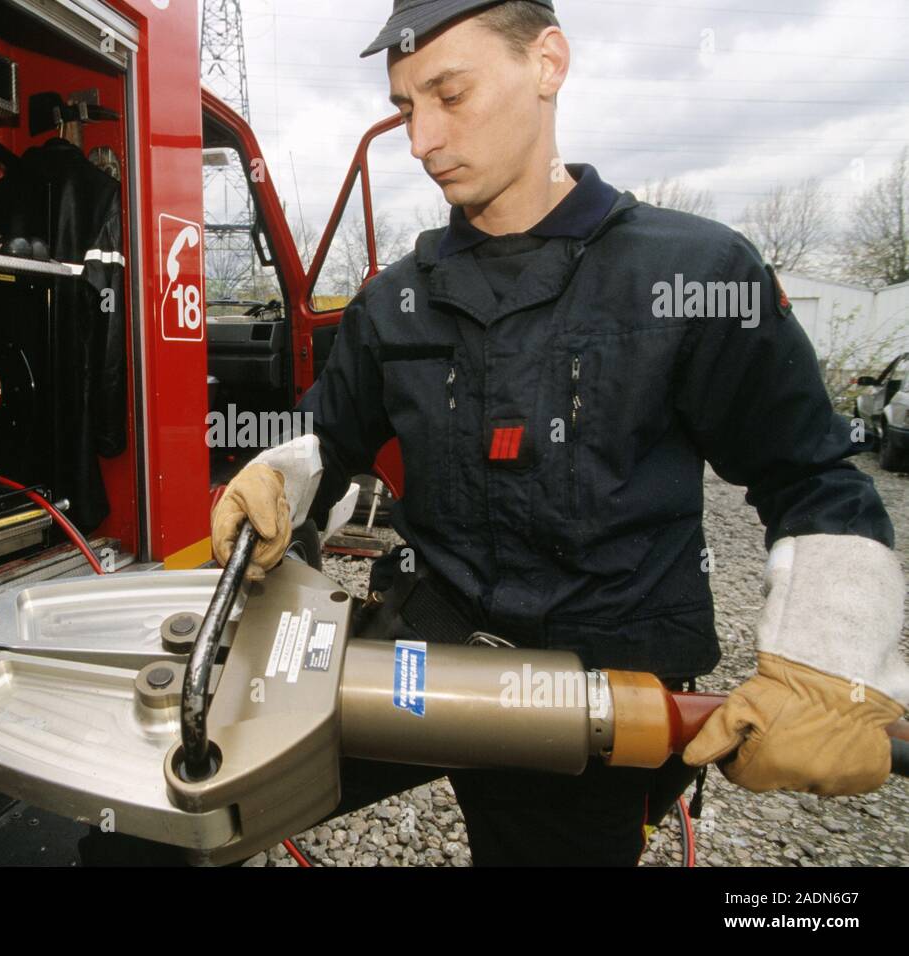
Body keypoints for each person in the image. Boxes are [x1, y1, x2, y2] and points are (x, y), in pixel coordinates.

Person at [210, 0, 909, 866]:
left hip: (601, 698)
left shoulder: (693, 275)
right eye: (403, 109)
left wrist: (825, 666)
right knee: (181, 810)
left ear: (548, 64)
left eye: (449, 94)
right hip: (420, 657)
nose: (421, 139)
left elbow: (812, 477)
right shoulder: (396, 298)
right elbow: (327, 437)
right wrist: (274, 476)